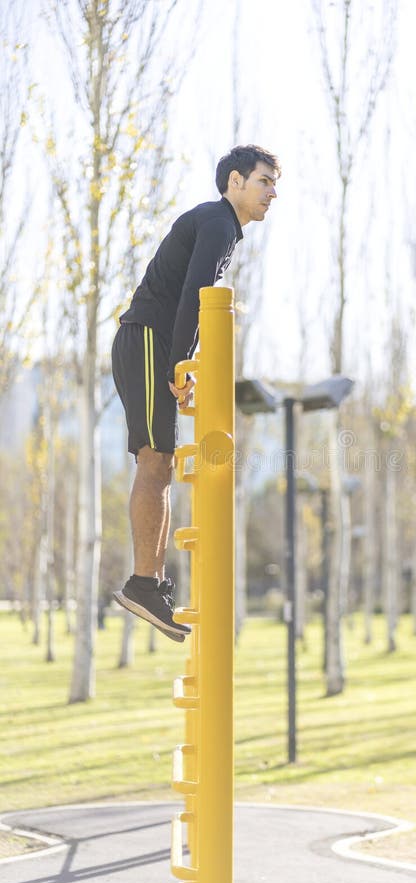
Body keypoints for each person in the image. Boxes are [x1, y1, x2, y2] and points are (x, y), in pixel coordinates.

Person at [112, 145, 280, 641]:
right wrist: (177, 367)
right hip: (146, 338)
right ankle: (144, 582)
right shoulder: (217, 221)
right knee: (154, 459)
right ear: (235, 181)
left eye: (274, 183)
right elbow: (196, 297)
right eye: (264, 181)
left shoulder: (223, 229)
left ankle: (151, 584)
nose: (273, 192)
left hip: (157, 345)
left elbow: (198, 299)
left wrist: (182, 366)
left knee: (160, 461)